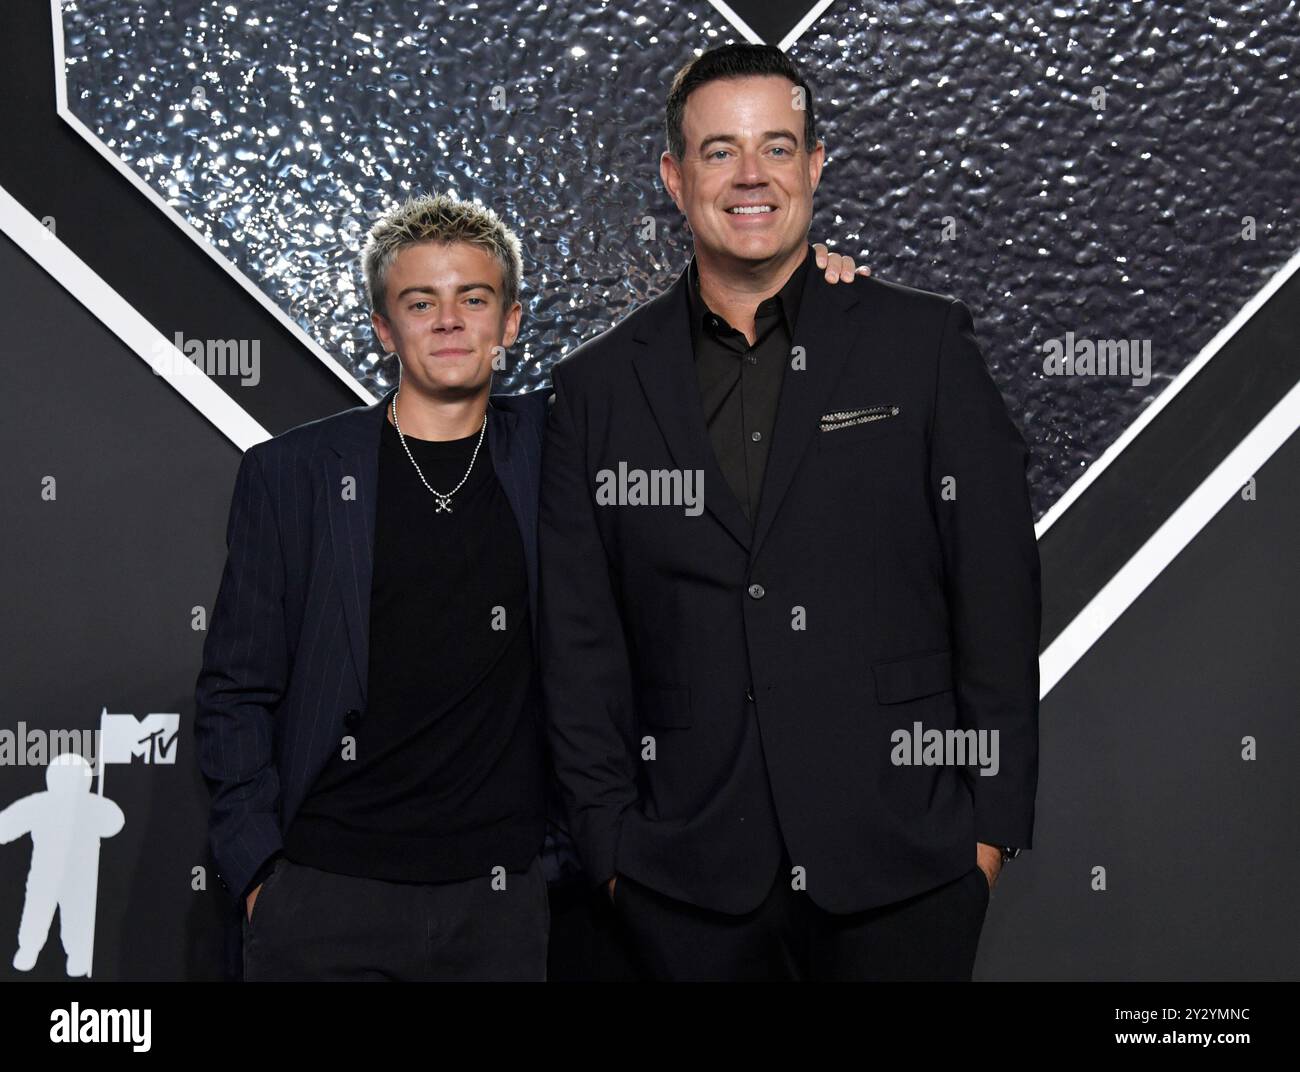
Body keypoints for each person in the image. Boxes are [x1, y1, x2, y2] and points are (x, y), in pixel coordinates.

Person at [194, 190, 867, 981]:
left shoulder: (557, 445)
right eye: (421, 301)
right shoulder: (295, 475)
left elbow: (696, 358)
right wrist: (262, 876)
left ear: (509, 323)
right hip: (324, 895)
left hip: (504, 903)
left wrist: (790, 280)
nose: (449, 321)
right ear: (384, 328)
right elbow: (236, 690)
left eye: (472, 299)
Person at [539, 43, 1041, 981]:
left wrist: (988, 835)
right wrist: (608, 849)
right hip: (682, 884)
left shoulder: (920, 345)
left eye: (778, 146)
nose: (751, 177)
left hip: (907, 865)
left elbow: (997, 594)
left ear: (815, 164)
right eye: (720, 151)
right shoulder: (598, 389)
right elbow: (579, 644)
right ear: (675, 176)